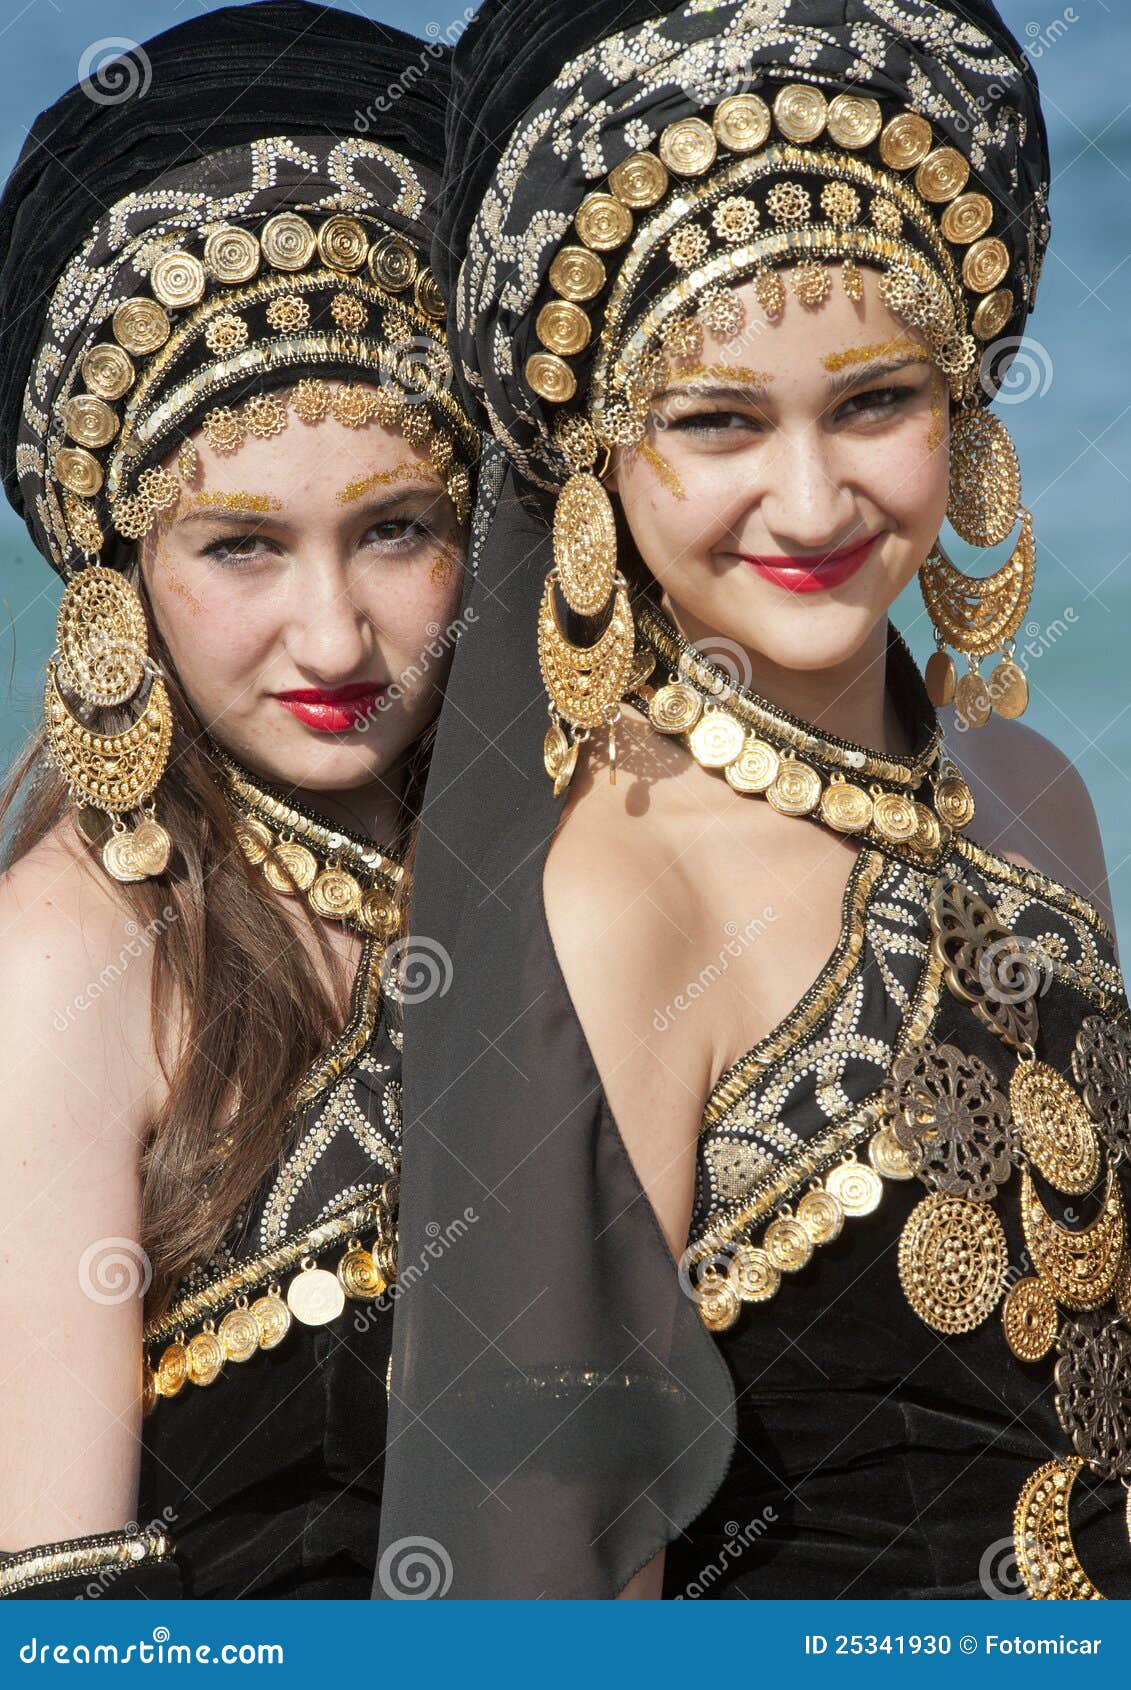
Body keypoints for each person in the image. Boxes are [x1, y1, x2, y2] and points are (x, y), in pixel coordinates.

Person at [374, 0, 1131, 1600]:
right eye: (716, 420)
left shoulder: (1036, 792)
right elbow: (558, 1547)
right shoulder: (623, 897)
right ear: (593, 466)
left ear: (968, 410)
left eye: (875, 403)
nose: (810, 499)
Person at [0, 2, 477, 1599]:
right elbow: (56, 1623)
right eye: (243, 545)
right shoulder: (67, 970)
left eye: (401, 528)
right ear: (118, 564)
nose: (336, 637)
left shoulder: (549, 853)